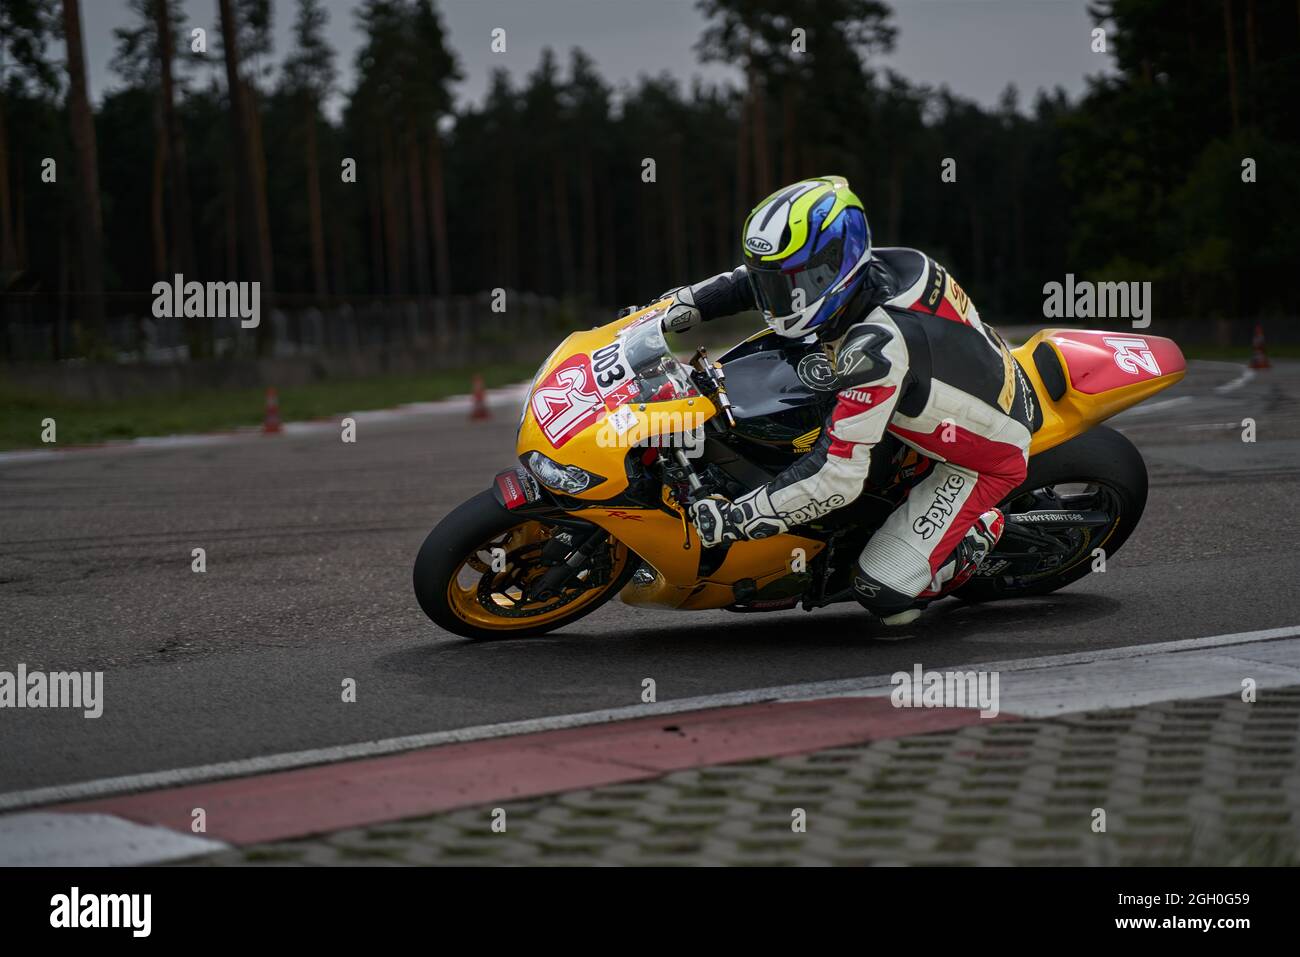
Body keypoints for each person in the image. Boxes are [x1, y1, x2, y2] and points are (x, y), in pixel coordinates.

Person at [661, 175, 1034, 625]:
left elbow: (837, 477)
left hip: (986, 450)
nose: (779, 299)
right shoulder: (892, 263)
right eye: (777, 283)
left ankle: (975, 536)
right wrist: (663, 314)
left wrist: (737, 519)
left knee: (884, 594)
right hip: (946, 381)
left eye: (795, 283)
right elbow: (747, 283)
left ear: (837, 264)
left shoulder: (877, 348)